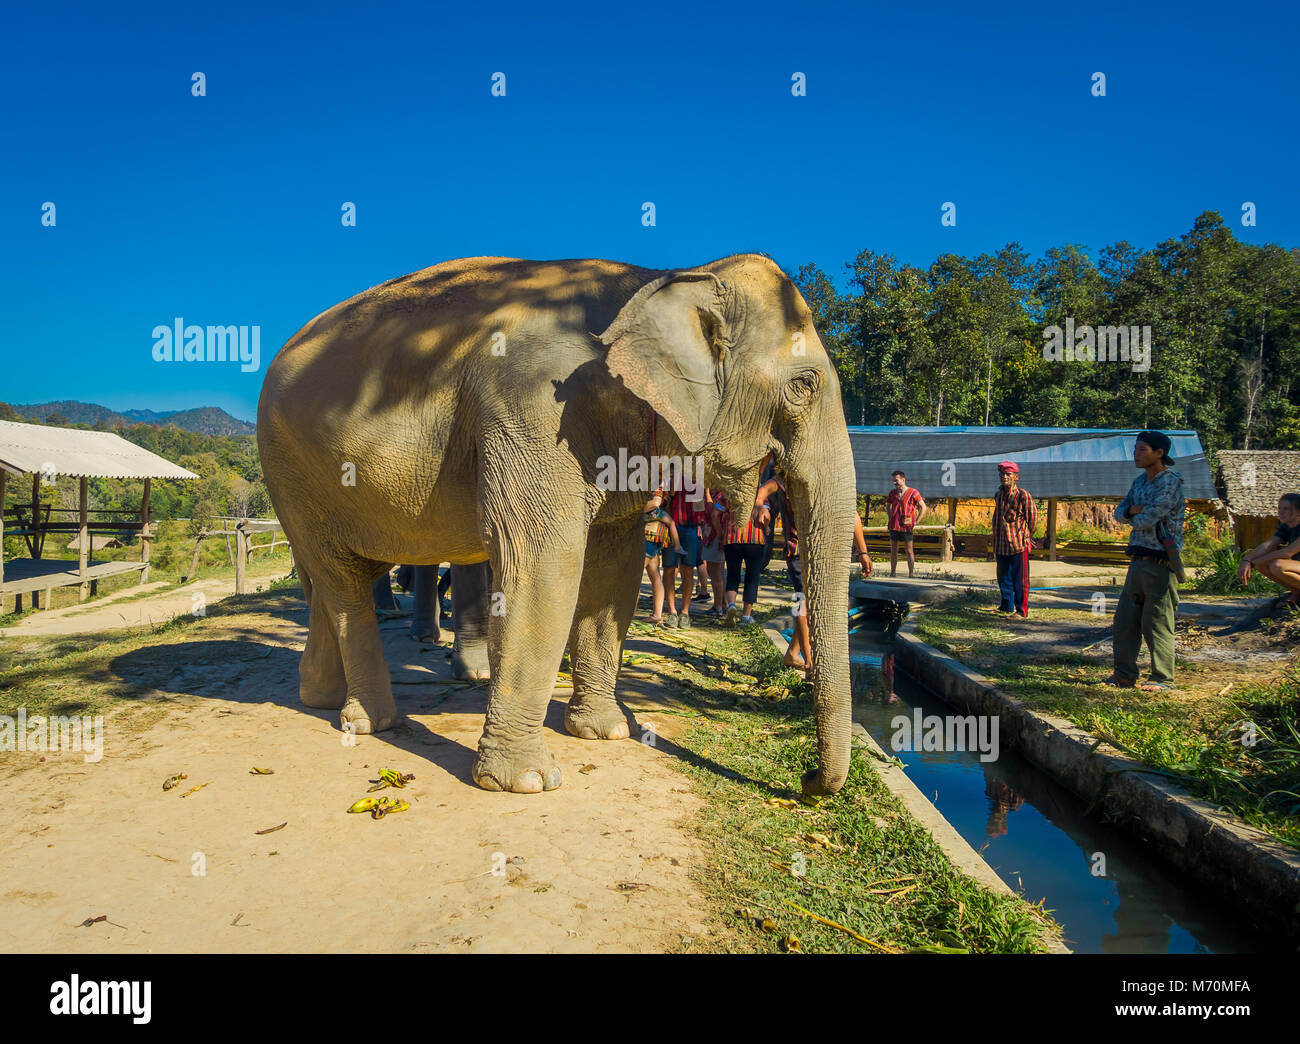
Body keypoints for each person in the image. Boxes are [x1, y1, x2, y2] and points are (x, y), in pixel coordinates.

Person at [1107, 431, 1185, 692]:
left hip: (1161, 561)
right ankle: (1124, 674)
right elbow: (1120, 513)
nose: (1136, 454)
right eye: (1136, 449)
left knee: (1157, 621)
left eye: (1142, 449)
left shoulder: (1170, 482)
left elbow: (1149, 518)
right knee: (1125, 621)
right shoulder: (1139, 482)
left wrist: (1135, 513)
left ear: (1159, 452)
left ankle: (1163, 678)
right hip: (1138, 557)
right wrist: (1132, 510)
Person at [988, 460, 1037, 617]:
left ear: (1016, 477)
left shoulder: (1023, 496)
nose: (1004, 477)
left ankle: (1021, 610)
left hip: (1017, 544)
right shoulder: (998, 495)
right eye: (1002, 474)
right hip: (1001, 544)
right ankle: (1006, 606)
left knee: (1020, 579)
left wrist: (1026, 536)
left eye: (1008, 474)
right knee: (1003, 577)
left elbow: (1033, 519)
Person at [717, 488, 769, 627]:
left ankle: (731, 605)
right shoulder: (761, 493)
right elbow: (765, 515)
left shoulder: (728, 492)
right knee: (752, 577)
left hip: (732, 538)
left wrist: (720, 533)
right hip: (755, 540)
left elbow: (715, 512)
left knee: (733, 575)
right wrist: (768, 527)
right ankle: (746, 616)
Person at [1237, 492, 1300, 606]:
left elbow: (1288, 552)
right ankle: (1296, 591)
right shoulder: (1286, 527)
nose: (1281, 512)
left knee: (1278, 566)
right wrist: (1246, 560)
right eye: (1279, 508)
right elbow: (1268, 545)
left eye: (1286, 508)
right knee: (1262, 565)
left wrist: (1253, 562)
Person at [643, 492, 684, 625]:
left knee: (635, 576)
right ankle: (657, 614)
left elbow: (671, 523)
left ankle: (629, 612)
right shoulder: (656, 512)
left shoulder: (657, 512)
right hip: (651, 542)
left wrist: (677, 545)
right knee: (655, 577)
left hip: (650, 540)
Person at [885, 470, 925, 577]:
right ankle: (892, 572)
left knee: (909, 550)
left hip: (907, 527)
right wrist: (890, 517)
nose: (894, 483)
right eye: (893, 481)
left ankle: (911, 573)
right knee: (893, 550)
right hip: (894, 526)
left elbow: (923, 507)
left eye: (896, 480)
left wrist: (917, 521)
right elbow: (888, 505)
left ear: (903, 480)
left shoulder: (913, 492)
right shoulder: (892, 493)